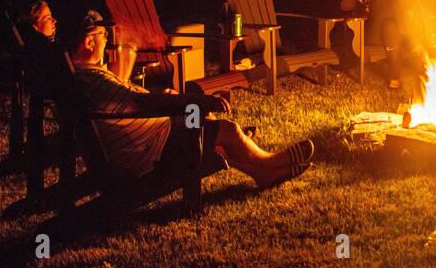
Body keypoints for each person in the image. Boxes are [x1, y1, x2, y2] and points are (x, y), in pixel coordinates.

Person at [69, 10, 313, 188]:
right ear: (89, 41)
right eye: (102, 35)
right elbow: (139, 103)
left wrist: (169, 99)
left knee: (208, 127)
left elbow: (124, 99)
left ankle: (262, 173)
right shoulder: (92, 78)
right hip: (144, 154)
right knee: (228, 130)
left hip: (135, 144)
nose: (106, 40)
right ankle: (270, 161)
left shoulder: (84, 76)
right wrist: (192, 103)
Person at [336, 0, 406, 90]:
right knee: (391, 28)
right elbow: (345, 7)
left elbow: (389, 10)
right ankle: (395, 74)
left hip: (386, 34)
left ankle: (394, 76)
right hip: (363, 35)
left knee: (390, 25)